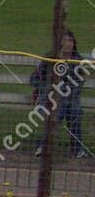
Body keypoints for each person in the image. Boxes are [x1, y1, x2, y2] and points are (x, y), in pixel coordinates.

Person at [31, 30, 92, 158]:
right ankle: (45, 146)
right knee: (59, 110)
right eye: (64, 40)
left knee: (74, 111)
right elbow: (34, 79)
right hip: (49, 98)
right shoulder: (49, 59)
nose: (68, 44)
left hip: (70, 99)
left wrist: (65, 92)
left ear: (74, 43)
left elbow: (78, 84)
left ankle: (74, 150)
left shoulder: (78, 61)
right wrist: (48, 89)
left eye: (70, 40)